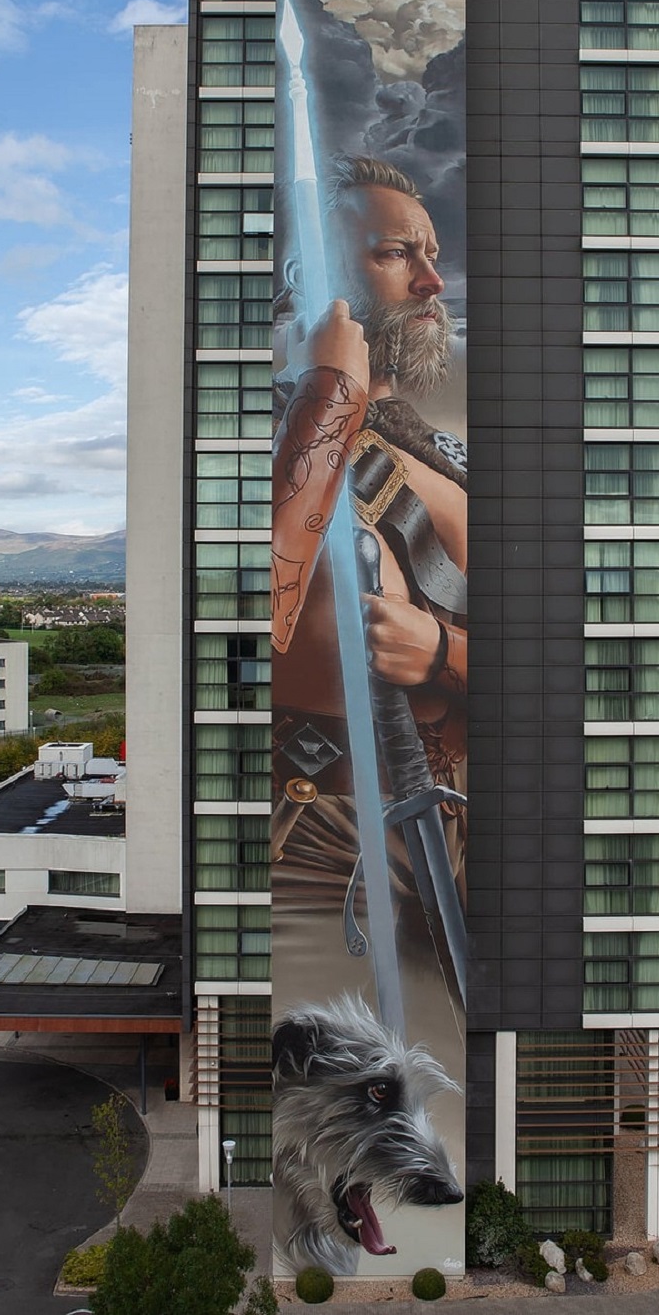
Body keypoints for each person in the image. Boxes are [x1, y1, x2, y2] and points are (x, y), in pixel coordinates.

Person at [270, 155, 466, 904]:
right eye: (395, 254)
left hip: (461, 818)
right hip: (321, 843)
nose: (431, 282)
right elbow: (249, 624)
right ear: (309, 273)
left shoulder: (447, 461)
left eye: (431, 256)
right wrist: (330, 395)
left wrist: (443, 651)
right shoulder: (255, 446)